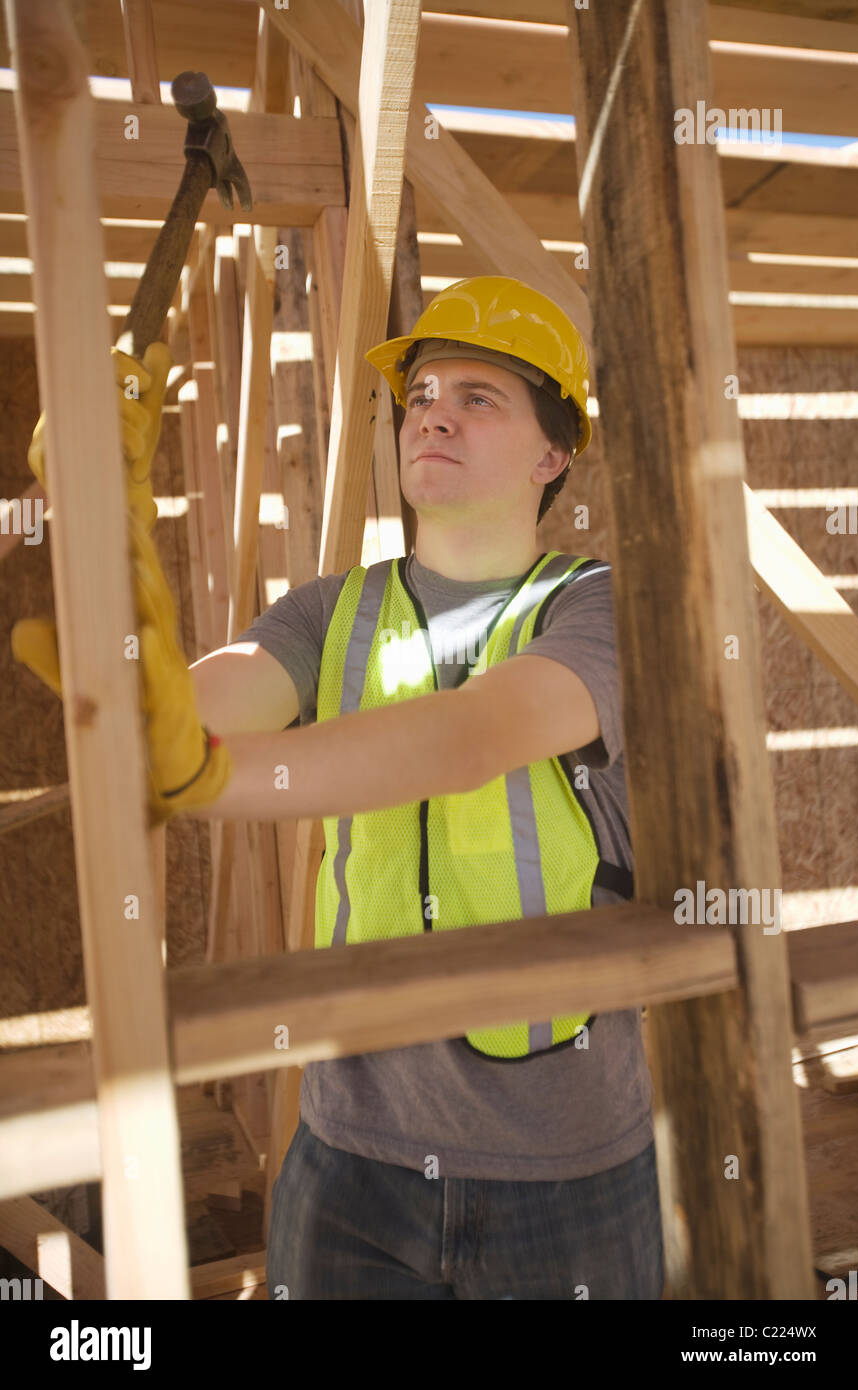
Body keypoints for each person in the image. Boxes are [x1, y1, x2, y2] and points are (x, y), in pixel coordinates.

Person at [14, 274, 664, 1300]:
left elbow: (471, 735)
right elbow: (183, 717)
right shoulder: (333, 612)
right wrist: (102, 550)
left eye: (477, 397)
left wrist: (205, 774)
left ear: (552, 454)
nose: (433, 412)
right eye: (420, 396)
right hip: (349, 1150)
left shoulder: (595, 608)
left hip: (563, 1168)